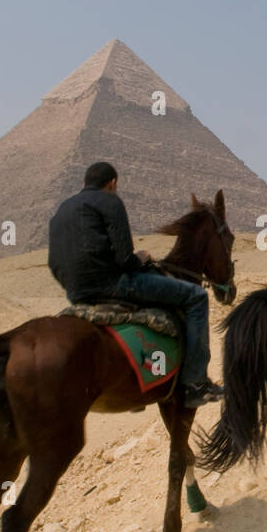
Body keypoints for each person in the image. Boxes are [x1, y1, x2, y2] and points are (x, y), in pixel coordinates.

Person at [48, 161, 223, 408]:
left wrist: (75, 289)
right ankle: (196, 383)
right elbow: (124, 258)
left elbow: (53, 264)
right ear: (112, 183)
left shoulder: (61, 211)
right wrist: (139, 259)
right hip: (114, 285)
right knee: (196, 297)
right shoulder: (110, 202)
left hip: (76, 293)